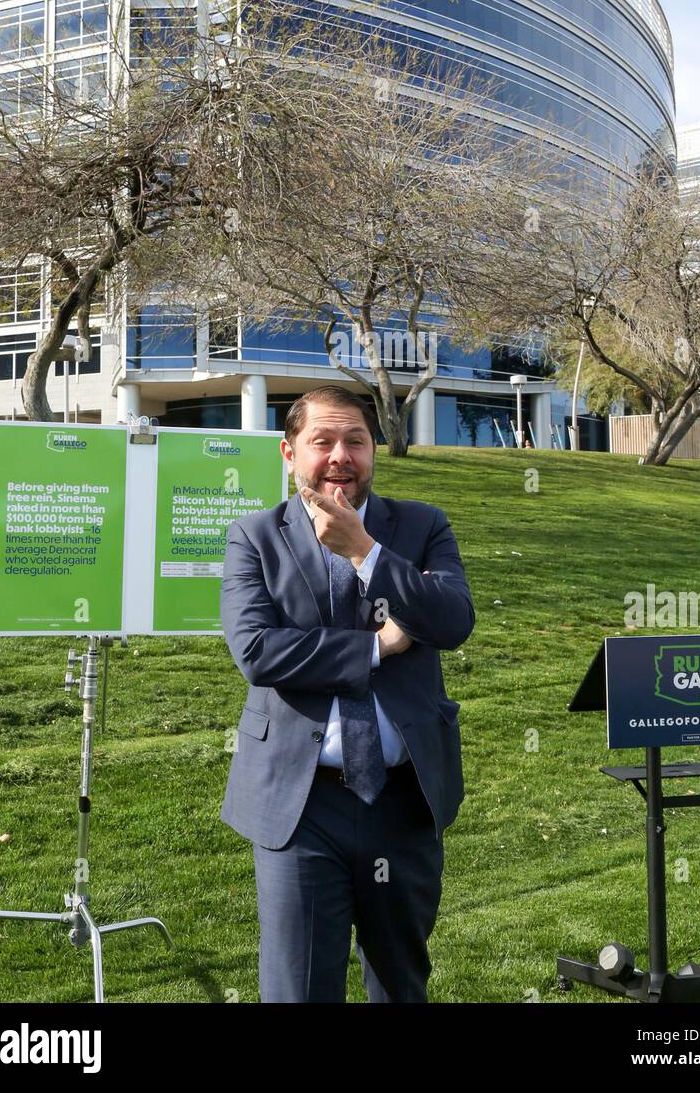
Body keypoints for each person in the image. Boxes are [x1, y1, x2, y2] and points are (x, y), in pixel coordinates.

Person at [220, 383, 474, 1002]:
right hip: (301, 803)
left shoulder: (420, 526)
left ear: (374, 450)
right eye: (322, 441)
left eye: (355, 441)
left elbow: (451, 621)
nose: (340, 456)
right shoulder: (254, 536)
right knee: (299, 987)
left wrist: (364, 549)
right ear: (288, 453)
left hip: (402, 800)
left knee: (399, 983)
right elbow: (257, 652)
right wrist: (377, 647)